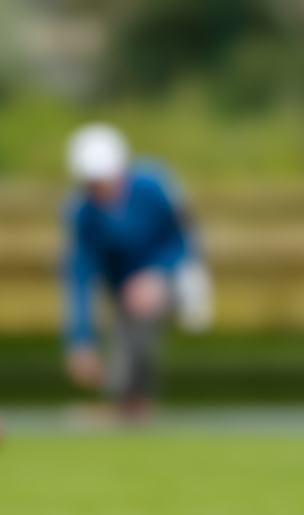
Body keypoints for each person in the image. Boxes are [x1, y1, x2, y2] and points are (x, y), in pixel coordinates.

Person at [62, 123, 214, 416]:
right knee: (130, 309)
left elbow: (185, 242)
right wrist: (80, 341)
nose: (99, 189)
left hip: (177, 279)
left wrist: (156, 275)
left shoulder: (154, 186)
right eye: (91, 184)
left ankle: (133, 402)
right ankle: (128, 403)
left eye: (104, 180)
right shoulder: (82, 212)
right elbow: (79, 276)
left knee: (140, 304)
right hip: (123, 293)